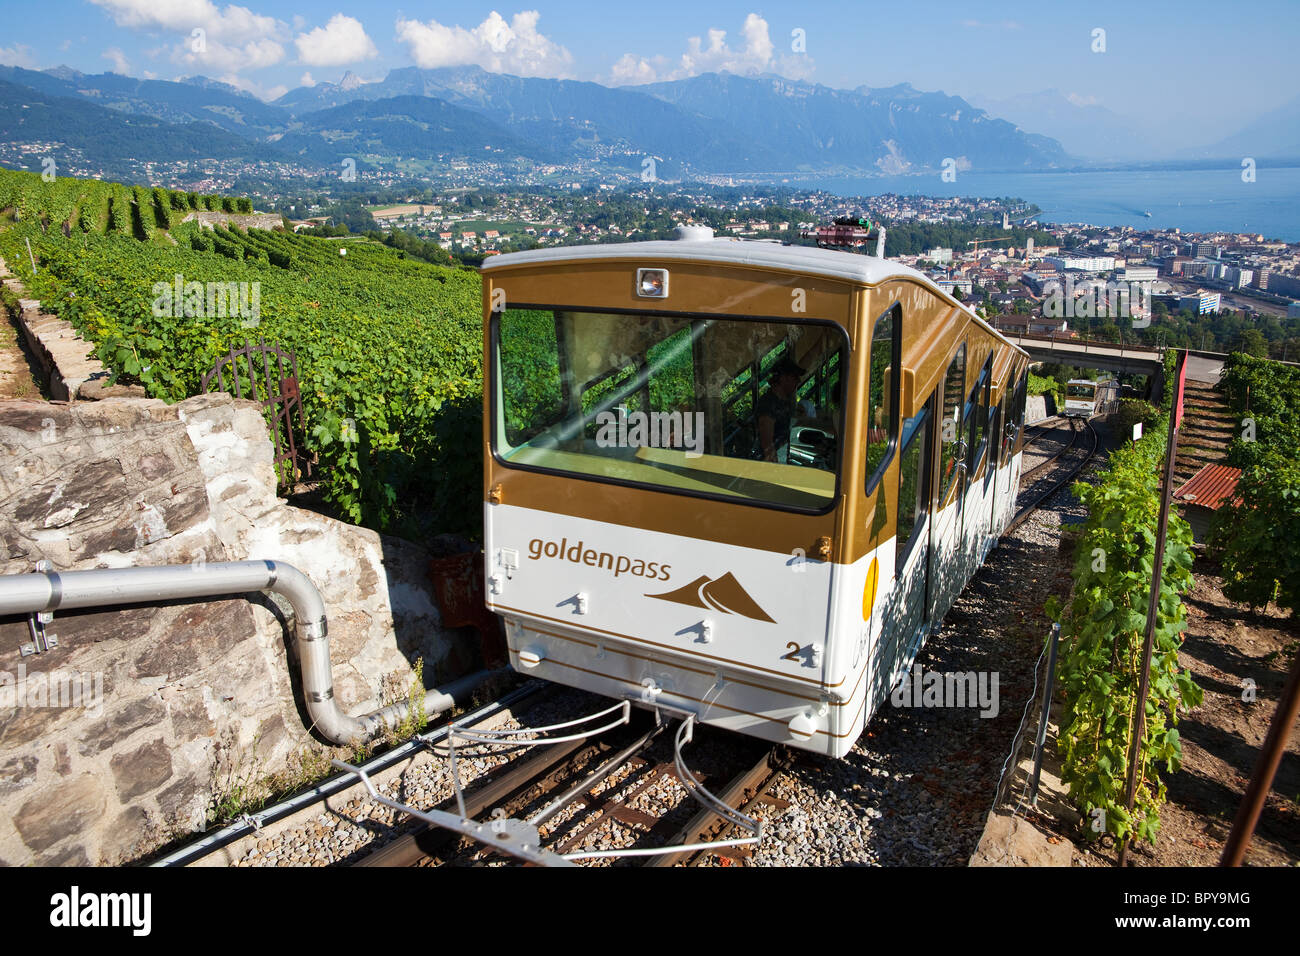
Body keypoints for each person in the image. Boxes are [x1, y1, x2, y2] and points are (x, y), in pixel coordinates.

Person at [755, 356, 804, 463]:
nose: (798, 381)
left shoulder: (784, 402)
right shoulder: (769, 403)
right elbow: (767, 442)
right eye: (794, 377)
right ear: (782, 378)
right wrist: (775, 466)